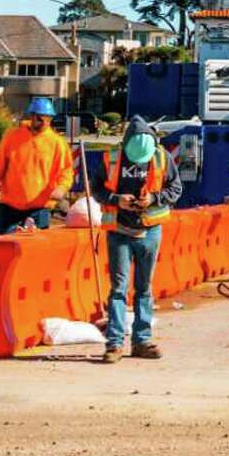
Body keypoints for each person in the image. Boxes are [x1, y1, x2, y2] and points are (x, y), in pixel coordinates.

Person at [98, 116, 180, 362]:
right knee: (119, 289)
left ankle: (142, 341)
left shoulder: (162, 158)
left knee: (144, 288)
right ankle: (114, 344)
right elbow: (97, 188)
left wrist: (153, 199)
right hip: (119, 230)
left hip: (150, 230)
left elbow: (175, 189)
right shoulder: (111, 158)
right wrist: (116, 200)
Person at [0, 96, 71, 231]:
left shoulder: (58, 143)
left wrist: (61, 188)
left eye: (47, 119)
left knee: (36, 245)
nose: (44, 122)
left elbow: (66, 171)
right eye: (40, 118)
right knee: (6, 243)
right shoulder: (12, 137)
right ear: (32, 116)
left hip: (39, 209)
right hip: (10, 209)